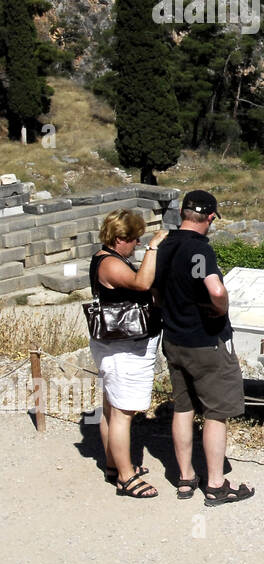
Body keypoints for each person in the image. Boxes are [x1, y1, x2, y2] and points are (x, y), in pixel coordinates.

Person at [154, 189, 254, 506]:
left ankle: (185, 478)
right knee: (215, 413)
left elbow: (155, 290)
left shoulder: (164, 244)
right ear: (210, 217)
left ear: (183, 213)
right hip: (206, 342)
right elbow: (215, 287)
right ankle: (215, 484)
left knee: (182, 408)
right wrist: (220, 308)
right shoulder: (198, 250)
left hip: (173, 339)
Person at [89, 210, 167, 499]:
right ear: (120, 238)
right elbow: (141, 284)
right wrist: (154, 246)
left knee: (111, 408)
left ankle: (114, 465)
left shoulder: (105, 257)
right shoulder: (109, 263)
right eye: (135, 240)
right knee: (123, 413)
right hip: (124, 349)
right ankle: (126, 477)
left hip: (113, 346)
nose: (136, 244)